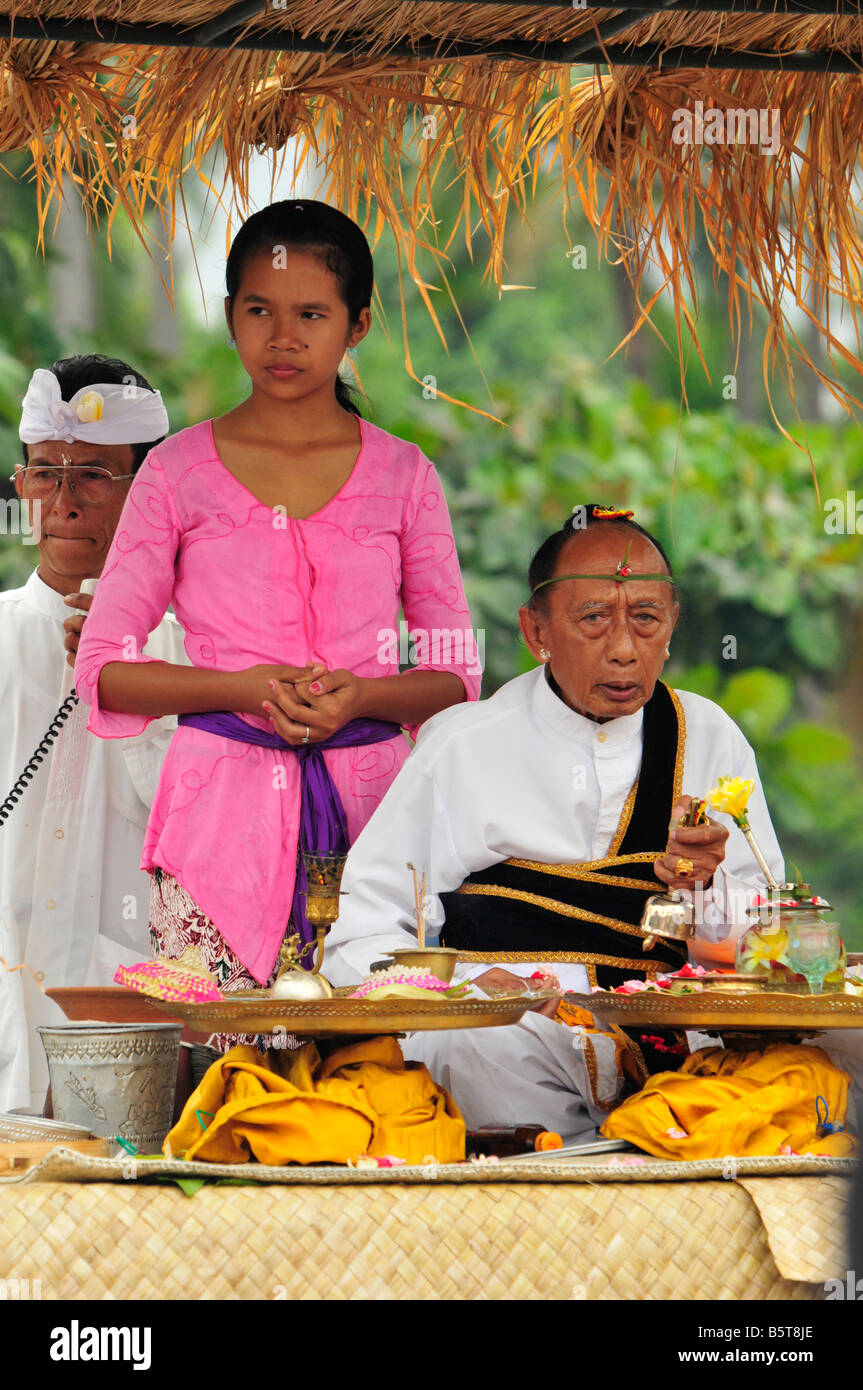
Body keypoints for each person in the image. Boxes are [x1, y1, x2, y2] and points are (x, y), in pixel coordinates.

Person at [74, 200, 481, 1011]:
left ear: (356, 325)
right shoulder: (176, 472)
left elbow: (454, 673)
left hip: (377, 828)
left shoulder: (405, 476)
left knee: (368, 1073)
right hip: (210, 836)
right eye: (258, 310)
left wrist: (361, 697)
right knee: (225, 1089)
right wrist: (240, 687)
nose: (282, 337)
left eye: (310, 315)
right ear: (230, 317)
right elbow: (105, 669)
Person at [325, 505, 787, 1141]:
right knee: (479, 1051)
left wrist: (703, 891)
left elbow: (763, 943)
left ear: (673, 622)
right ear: (535, 630)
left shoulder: (710, 738)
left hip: (677, 1033)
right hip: (510, 1035)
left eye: (646, 619)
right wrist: (465, 991)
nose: (625, 649)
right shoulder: (463, 744)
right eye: (594, 619)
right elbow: (360, 930)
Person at [0, 355, 188, 1111]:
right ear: (21, 487)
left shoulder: (200, 653)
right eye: (47, 472)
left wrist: (133, 691)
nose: (65, 500)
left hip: (127, 1011)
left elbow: (204, 838)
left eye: (95, 475)